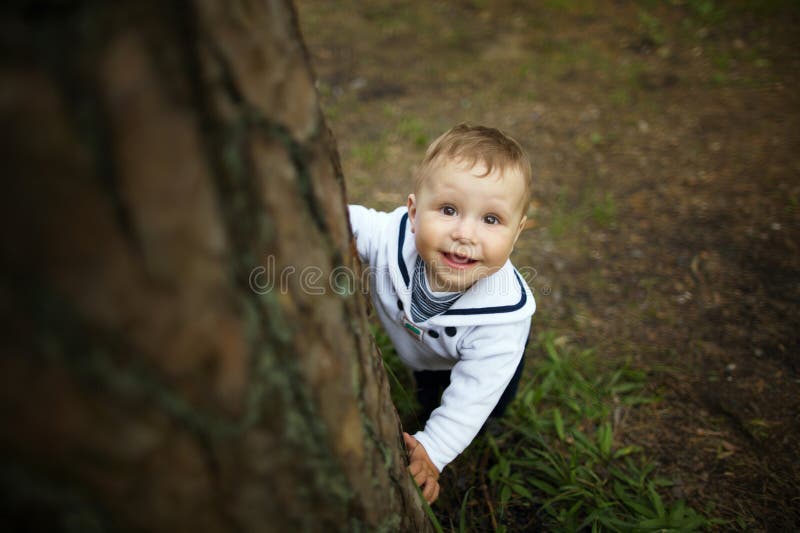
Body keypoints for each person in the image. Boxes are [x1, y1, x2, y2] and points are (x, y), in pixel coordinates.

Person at [348, 123, 535, 504]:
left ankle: (491, 425)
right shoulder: (392, 239)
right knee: (430, 390)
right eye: (448, 210)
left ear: (516, 234)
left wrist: (434, 448)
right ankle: (429, 392)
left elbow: (473, 393)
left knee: (483, 402)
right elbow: (346, 218)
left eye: (491, 219)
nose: (465, 233)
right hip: (424, 353)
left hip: (488, 361)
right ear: (413, 213)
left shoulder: (502, 318)